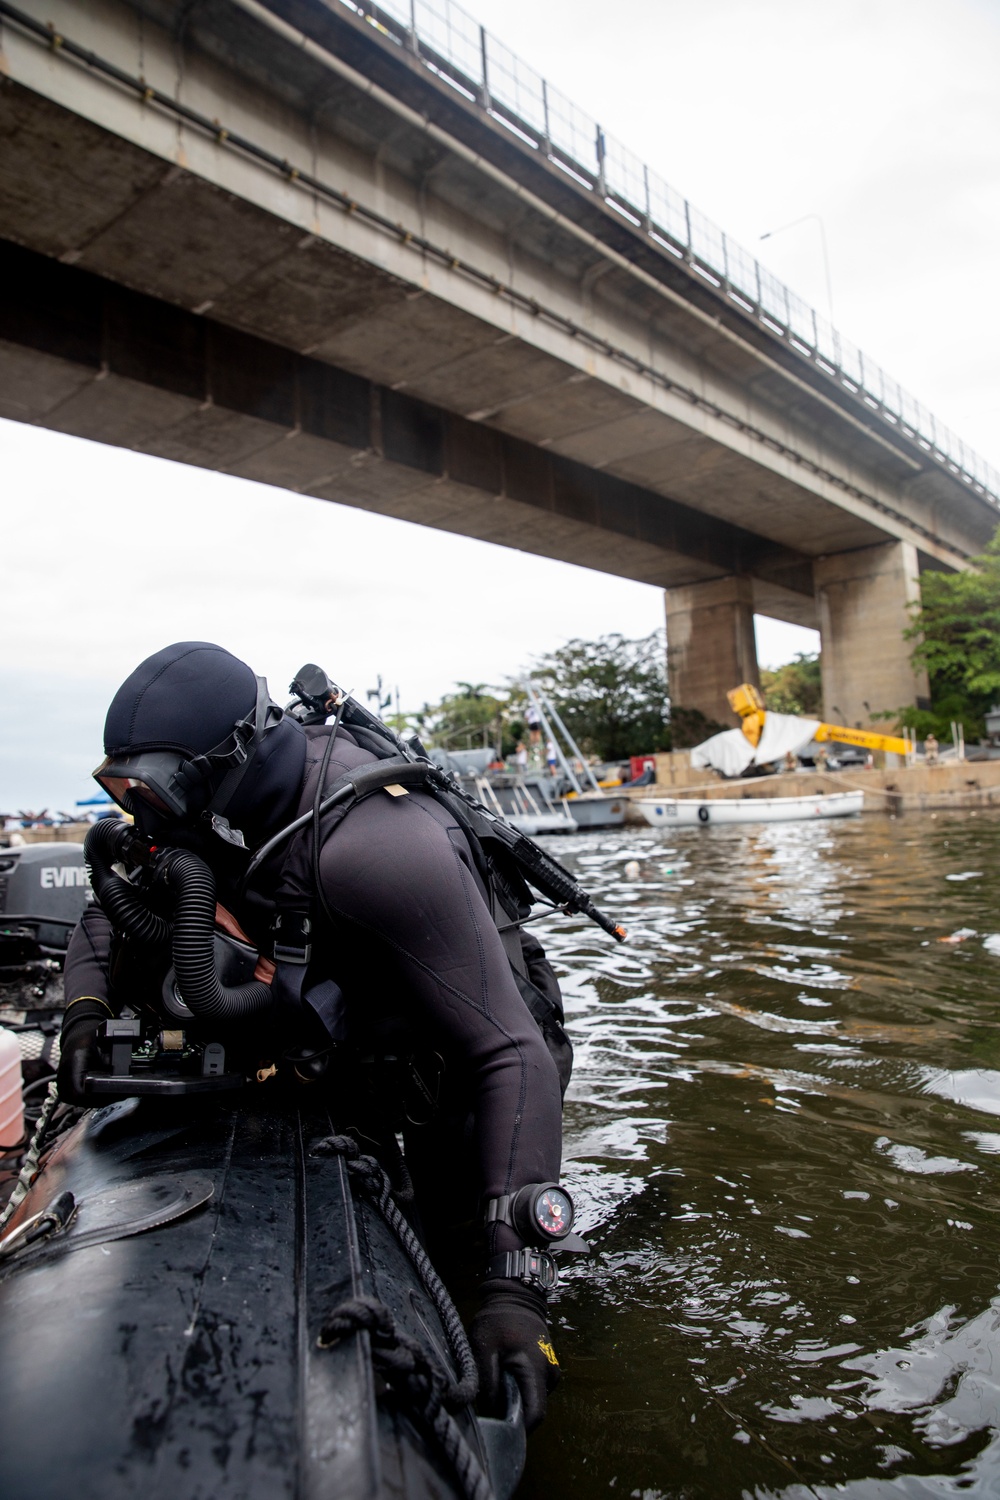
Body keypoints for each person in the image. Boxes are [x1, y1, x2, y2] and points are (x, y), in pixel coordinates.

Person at [58, 642, 576, 1432]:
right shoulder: (200, 812)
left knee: (460, 1235)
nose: (143, 815)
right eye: (127, 791)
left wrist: (516, 1290)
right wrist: (86, 1016)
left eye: (155, 792)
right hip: (352, 1011)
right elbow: (112, 903)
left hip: (465, 1031)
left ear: (227, 759)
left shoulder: (372, 845)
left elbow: (508, 1051)